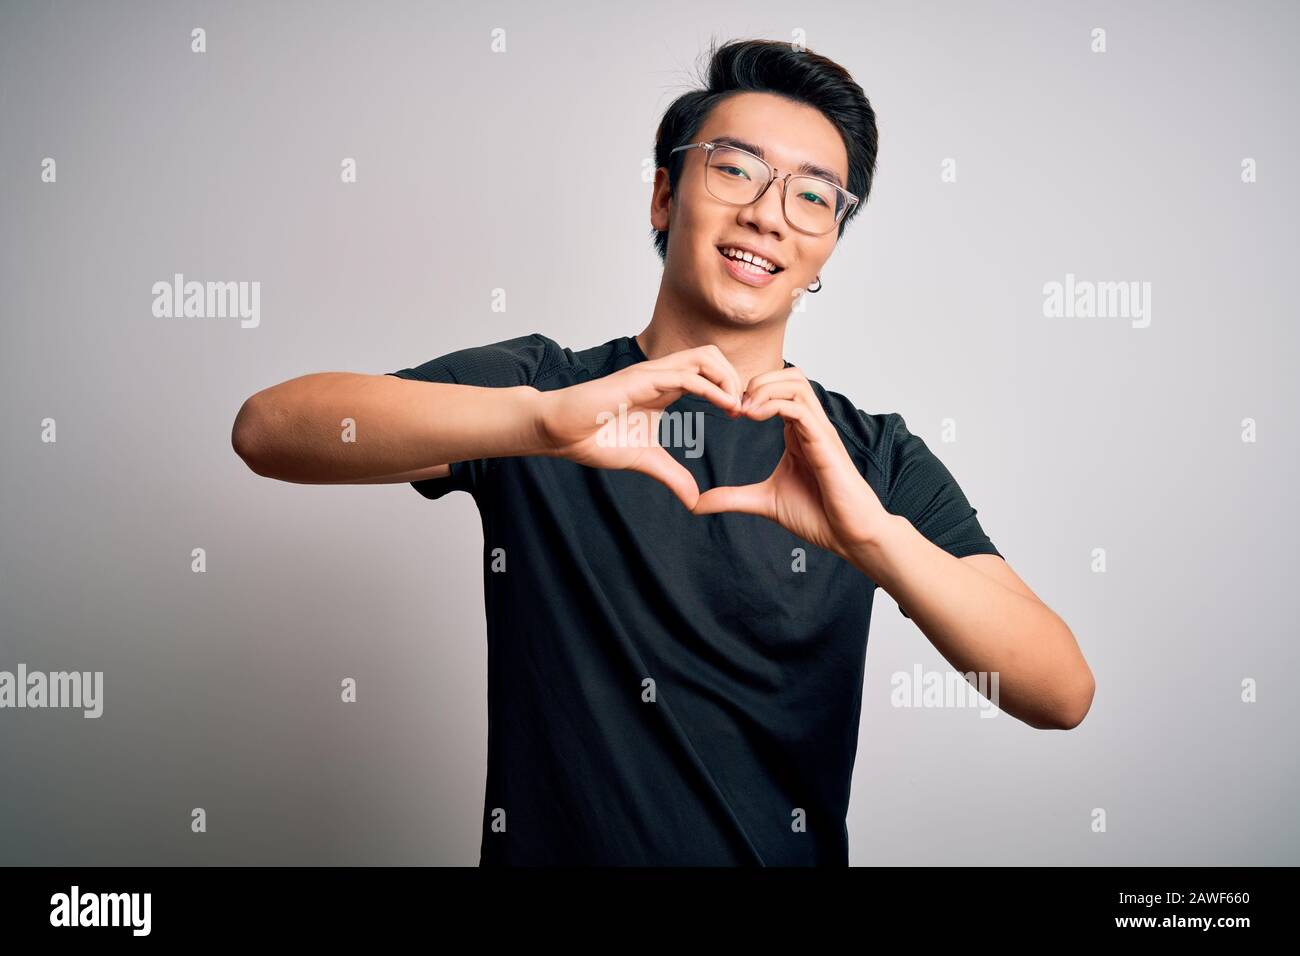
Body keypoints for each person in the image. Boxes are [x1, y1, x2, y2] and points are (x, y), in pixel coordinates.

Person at [231, 38, 1094, 866]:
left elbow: (1060, 694)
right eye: (735, 168)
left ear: (828, 245)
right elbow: (269, 430)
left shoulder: (870, 456)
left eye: (812, 196)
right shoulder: (546, 389)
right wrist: (534, 424)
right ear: (663, 196)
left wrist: (873, 537)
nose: (766, 213)